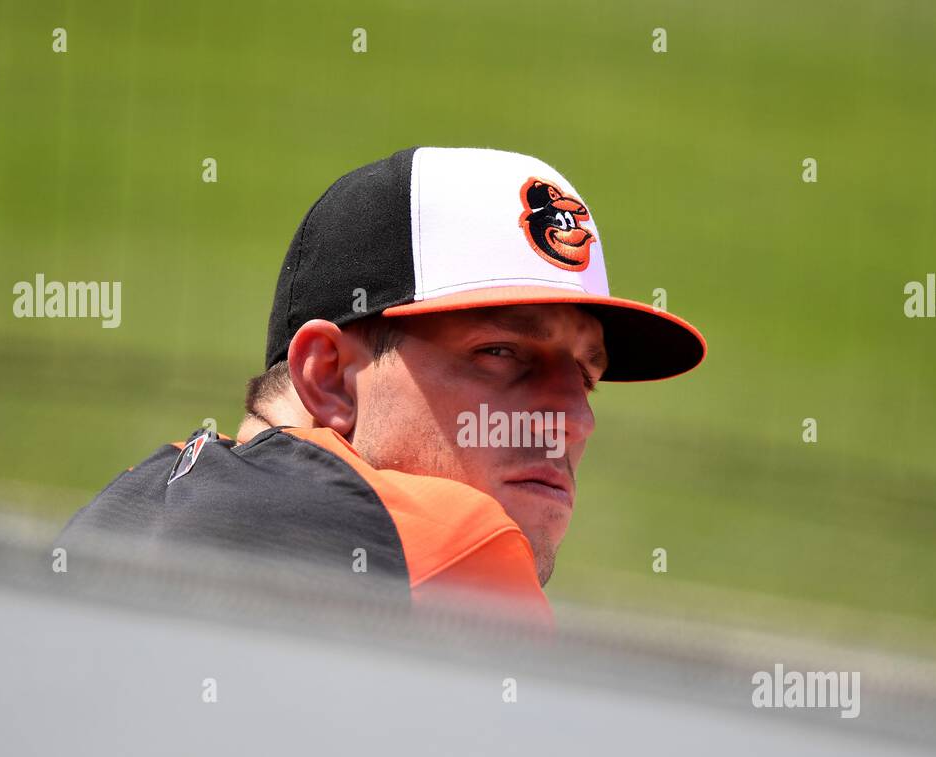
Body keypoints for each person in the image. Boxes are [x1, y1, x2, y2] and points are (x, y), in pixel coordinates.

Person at [58, 146, 706, 627]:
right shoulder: (450, 548)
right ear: (330, 376)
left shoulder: (130, 501)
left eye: (587, 378)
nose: (572, 419)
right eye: (501, 353)